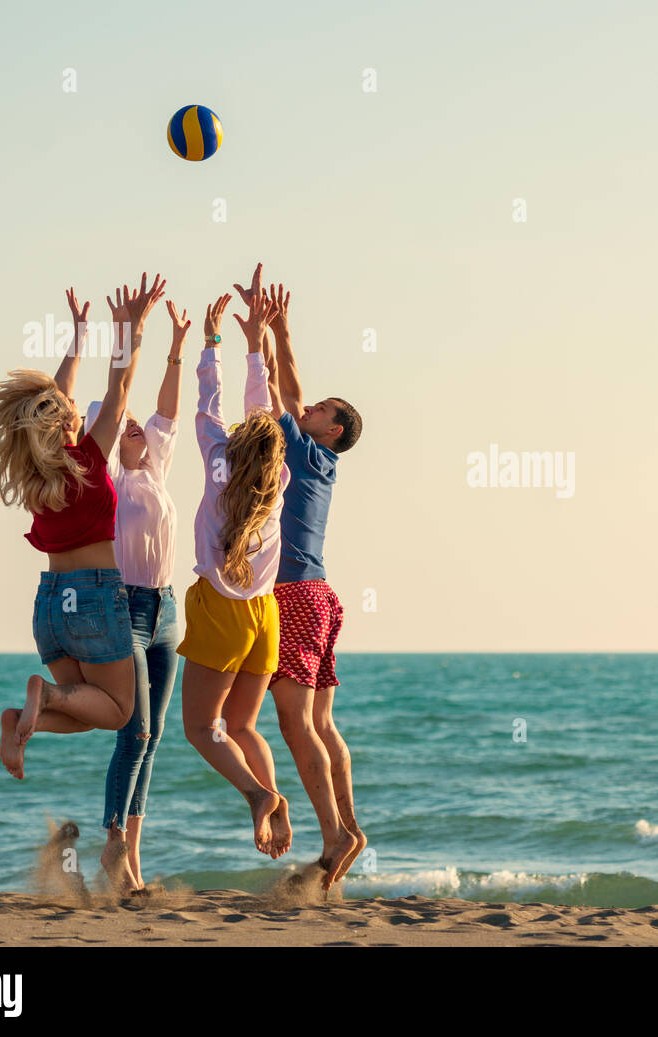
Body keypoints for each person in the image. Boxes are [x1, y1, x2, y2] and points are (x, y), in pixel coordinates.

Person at [0, 274, 165, 780]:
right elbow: (120, 388)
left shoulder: (31, 474)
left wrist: (79, 337)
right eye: (70, 408)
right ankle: (44, 696)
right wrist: (130, 329)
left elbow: (57, 396)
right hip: (94, 598)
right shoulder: (88, 458)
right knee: (120, 712)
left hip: (52, 605)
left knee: (85, 708)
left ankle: (22, 720)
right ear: (68, 422)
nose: (74, 404)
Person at [235, 264, 364, 889]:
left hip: (294, 595)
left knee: (294, 723)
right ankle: (349, 829)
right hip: (319, 595)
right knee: (321, 724)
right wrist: (280, 331)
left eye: (320, 409)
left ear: (332, 429)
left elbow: (283, 391)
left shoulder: (308, 451)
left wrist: (265, 335)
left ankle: (334, 834)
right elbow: (291, 389)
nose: (308, 408)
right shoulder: (319, 458)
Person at [178, 290, 294, 858]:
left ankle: (256, 794)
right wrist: (256, 345)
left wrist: (212, 342)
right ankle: (275, 798)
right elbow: (261, 411)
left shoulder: (218, 461)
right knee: (243, 727)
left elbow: (209, 403)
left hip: (222, 610)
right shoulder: (279, 483)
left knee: (201, 728)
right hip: (264, 615)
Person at [82, 298, 191, 892]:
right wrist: (128, 333)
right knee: (136, 732)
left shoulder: (155, 470)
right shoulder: (106, 480)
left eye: (135, 425)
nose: (132, 427)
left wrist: (177, 345)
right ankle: (112, 844)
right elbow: (117, 394)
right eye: (121, 423)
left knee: (154, 739)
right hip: (123, 610)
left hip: (166, 610)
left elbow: (168, 409)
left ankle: (132, 861)